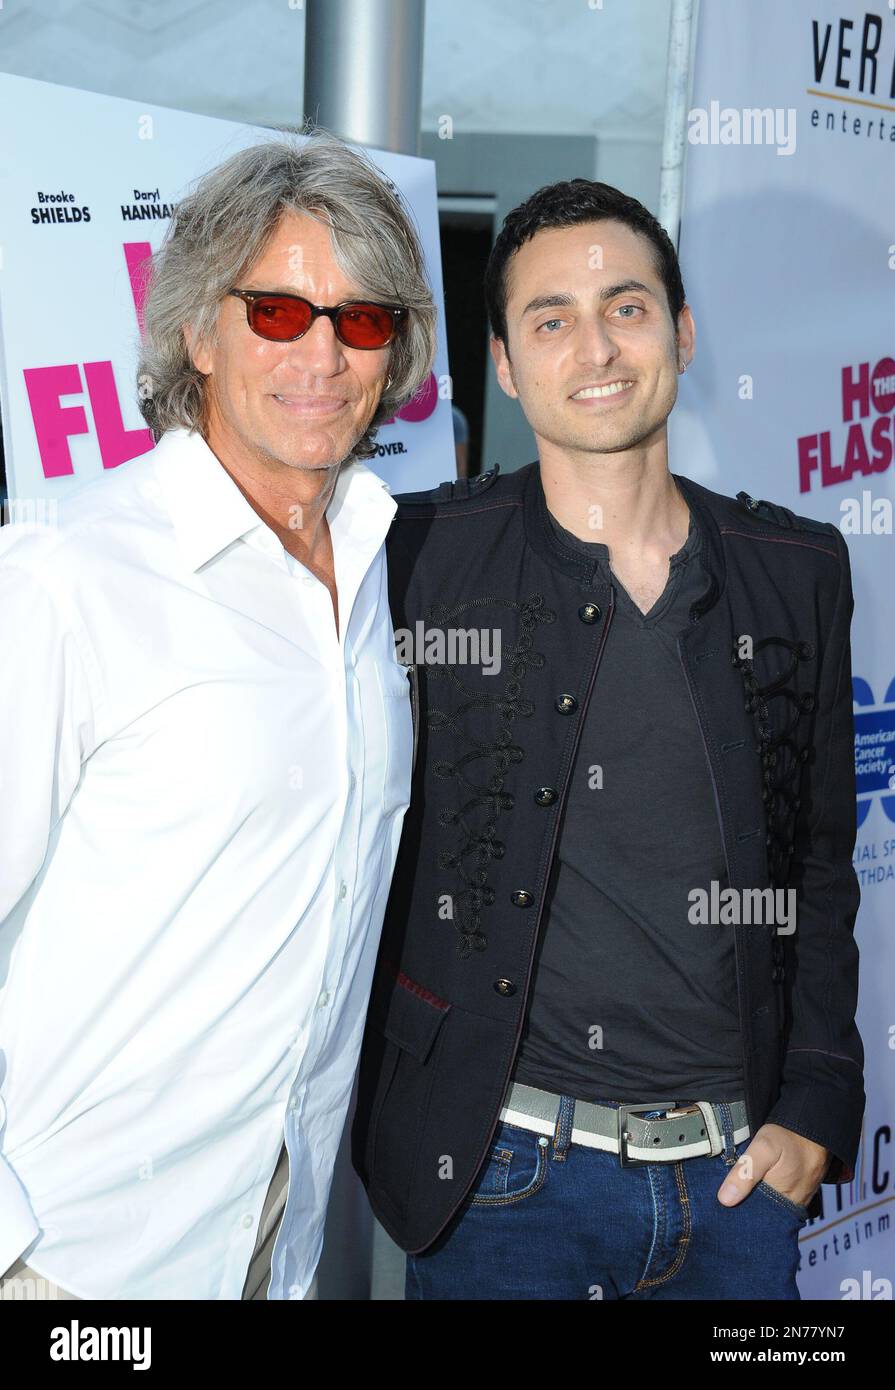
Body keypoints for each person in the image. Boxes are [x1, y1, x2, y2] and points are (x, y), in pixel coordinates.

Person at [351, 178, 864, 1300]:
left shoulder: (796, 573)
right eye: (551, 318)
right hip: (498, 1188)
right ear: (502, 360)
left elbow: (818, 872)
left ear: (680, 330)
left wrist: (816, 1104)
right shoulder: (417, 559)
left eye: (625, 307)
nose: (595, 346)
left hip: (735, 1191)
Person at [0, 129, 435, 1300]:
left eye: (362, 319)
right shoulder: (68, 578)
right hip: (79, 1259)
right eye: (280, 314)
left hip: (272, 1250)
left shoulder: (380, 563)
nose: (324, 357)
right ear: (197, 331)